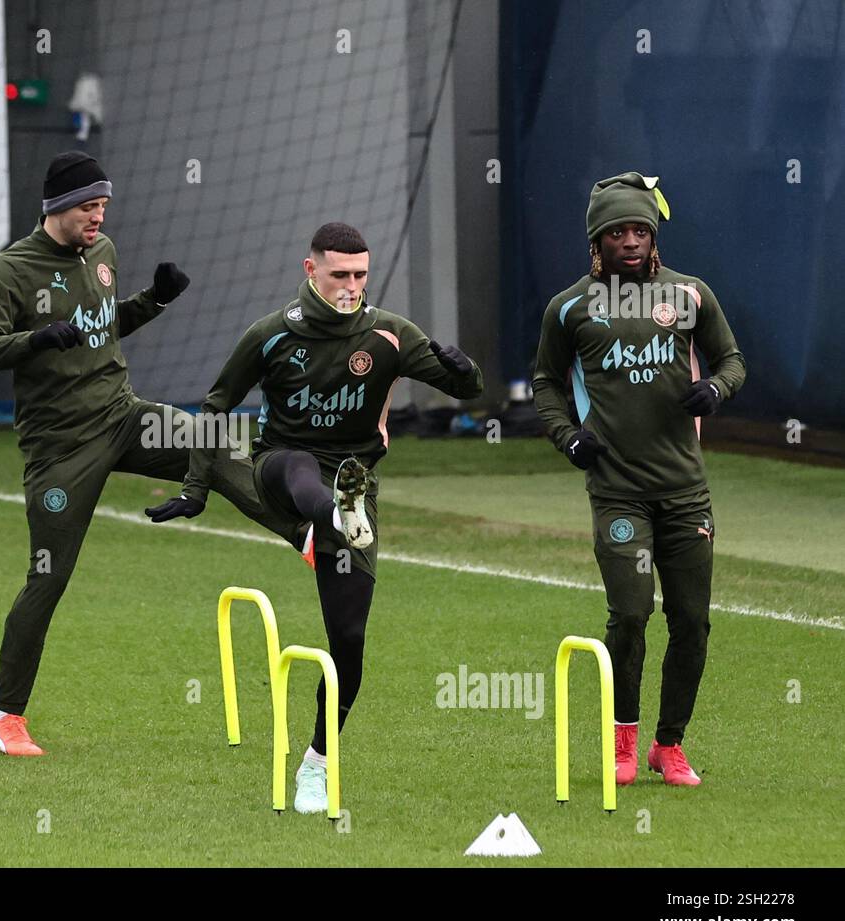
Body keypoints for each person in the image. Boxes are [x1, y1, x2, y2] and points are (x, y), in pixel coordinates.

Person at [0, 151, 305, 756]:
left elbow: (104, 323)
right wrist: (35, 338)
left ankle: (306, 535)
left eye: (103, 206)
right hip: (61, 448)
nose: (99, 217)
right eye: (89, 206)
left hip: (124, 415)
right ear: (58, 208)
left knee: (212, 440)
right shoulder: (10, 270)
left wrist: (156, 299)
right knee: (48, 577)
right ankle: (4, 715)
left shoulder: (104, 253)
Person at [149, 222, 484, 812]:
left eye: (360, 275)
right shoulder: (272, 334)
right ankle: (335, 513)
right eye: (340, 275)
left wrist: (463, 370)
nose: (352, 286)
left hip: (355, 473)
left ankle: (317, 763)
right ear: (311, 271)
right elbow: (216, 404)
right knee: (303, 472)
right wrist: (197, 488)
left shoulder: (390, 333)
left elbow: (465, 391)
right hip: (281, 467)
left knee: (348, 642)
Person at [531, 172, 746, 787]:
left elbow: (732, 360)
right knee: (630, 614)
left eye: (641, 230)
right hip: (617, 491)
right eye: (617, 232)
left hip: (685, 493)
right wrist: (567, 435)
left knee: (692, 622)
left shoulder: (691, 295)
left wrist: (716, 388)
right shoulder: (568, 308)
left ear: (655, 238)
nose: (631, 241)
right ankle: (623, 742)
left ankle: (667, 745)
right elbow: (545, 381)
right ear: (596, 243)